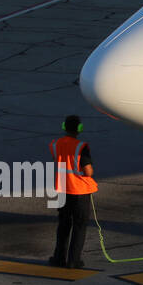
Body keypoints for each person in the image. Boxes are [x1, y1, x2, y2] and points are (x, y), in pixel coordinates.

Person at [49, 114, 98, 269]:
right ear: (79, 129)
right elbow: (88, 171)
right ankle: (73, 260)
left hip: (62, 189)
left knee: (63, 224)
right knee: (79, 225)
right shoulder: (80, 147)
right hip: (79, 191)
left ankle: (59, 258)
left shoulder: (55, 144)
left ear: (64, 127)